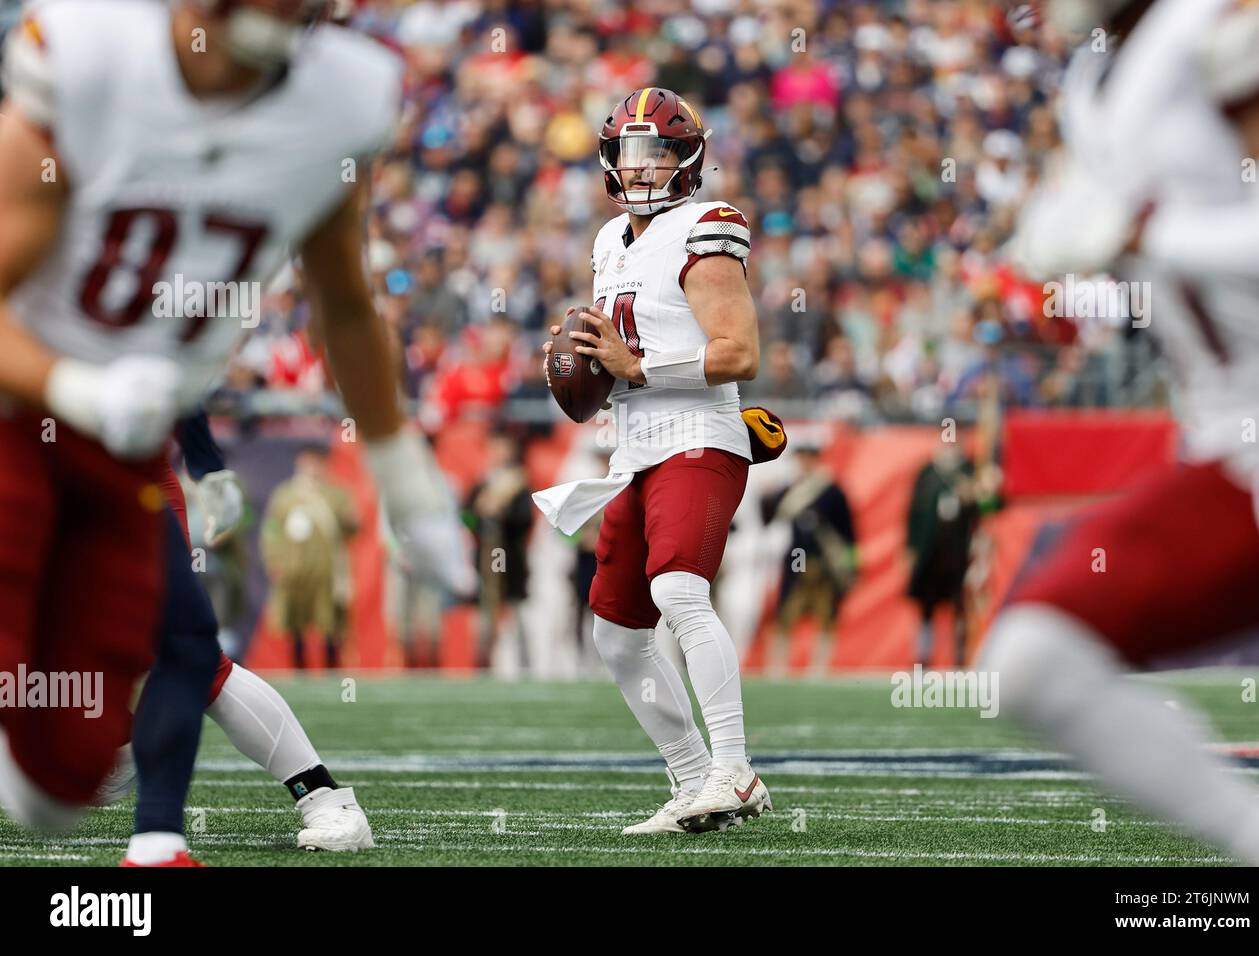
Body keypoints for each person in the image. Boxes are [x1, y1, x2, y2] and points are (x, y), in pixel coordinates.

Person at [0, 0, 475, 832]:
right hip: (18, 414)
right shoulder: (89, 49)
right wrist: (78, 389)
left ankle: (272, 802)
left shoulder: (344, 96)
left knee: (57, 789)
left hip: (129, 449)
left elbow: (346, 303)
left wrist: (407, 480)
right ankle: (177, 834)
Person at [983, 0, 1259, 865]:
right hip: (1252, 453)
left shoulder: (1227, 24)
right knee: (1036, 660)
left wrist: (1143, 233)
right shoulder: (1096, 73)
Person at [536, 88, 771, 834]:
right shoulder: (611, 241)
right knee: (614, 630)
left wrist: (634, 368)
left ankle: (734, 771)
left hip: (699, 435)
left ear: (689, 157)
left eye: (660, 150)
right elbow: (622, 348)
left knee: (677, 589)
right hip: (635, 448)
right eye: (631, 152)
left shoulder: (708, 225)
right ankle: (693, 775)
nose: (644, 166)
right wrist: (589, 358)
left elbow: (740, 354)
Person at [103, 413, 372, 866]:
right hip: (31, 481)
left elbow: (170, 364)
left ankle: (324, 797)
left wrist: (207, 465)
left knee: (190, 652)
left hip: (120, 483)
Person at [760, 441, 857, 676]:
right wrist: (767, 496)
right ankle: (777, 669)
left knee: (826, 617)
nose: (803, 463)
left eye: (807, 457)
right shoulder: (790, 489)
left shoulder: (832, 491)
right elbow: (767, 517)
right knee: (785, 615)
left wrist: (851, 565)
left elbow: (848, 532)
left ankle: (818, 669)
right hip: (795, 560)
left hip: (823, 563)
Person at [261, 444, 358, 670]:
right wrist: (273, 559)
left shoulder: (336, 494)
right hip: (294, 567)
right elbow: (271, 529)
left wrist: (351, 521)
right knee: (295, 619)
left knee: (330, 621)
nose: (311, 468)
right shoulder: (285, 495)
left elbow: (350, 531)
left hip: (325, 568)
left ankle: (331, 666)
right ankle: (299, 666)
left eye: (315, 463)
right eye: (307, 462)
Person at [465, 429, 534, 673]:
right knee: (484, 617)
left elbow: (525, 520)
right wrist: (479, 513)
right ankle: (484, 664)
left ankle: (522, 665)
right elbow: (466, 520)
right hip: (484, 561)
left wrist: (502, 513)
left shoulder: (518, 482)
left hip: (511, 560)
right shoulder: (482, 483)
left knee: (516, 614)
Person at [905, 439, 978, 667]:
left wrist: (974, 495)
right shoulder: (927, 473)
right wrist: (911, 547)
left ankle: (960, 656)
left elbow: (989, 506)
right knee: (926, 605)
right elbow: (914, 513)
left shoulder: (970, 471)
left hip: (959, 550)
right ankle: (923, 656)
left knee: (960, 605)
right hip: (931, 549)